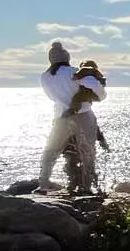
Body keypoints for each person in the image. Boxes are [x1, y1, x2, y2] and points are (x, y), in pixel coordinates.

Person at [37, 42, 106, 194]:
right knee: (87, 152)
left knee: (51, 150)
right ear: (67, 58)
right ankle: (87, 187)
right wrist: (100, 96)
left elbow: (51, 96)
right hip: (83, 115)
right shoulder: (74, 72)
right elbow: (95, 86)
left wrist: (64, 101)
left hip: (61, 116)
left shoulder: (45, 77)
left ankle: (43, 183)